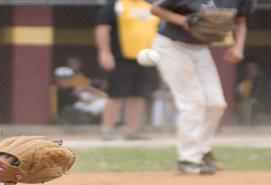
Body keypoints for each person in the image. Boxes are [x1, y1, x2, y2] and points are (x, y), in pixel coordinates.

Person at [148, 0, 252, 174]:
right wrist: (184, 21)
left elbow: (240, 21)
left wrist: (238, 46)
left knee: (216, 103)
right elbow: (155, 9)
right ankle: (188, 160)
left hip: (200, 49)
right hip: (171, 46)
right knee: (192, 101)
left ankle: (202, 151)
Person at [94, 0, 161, 140]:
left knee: (139, 95)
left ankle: (132, 131)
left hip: (147, 58)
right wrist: (104, 52)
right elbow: (102, 28)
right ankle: (107, 130)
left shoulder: (151, 6)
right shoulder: (115, 5)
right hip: (121, 58)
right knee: (115, 94)